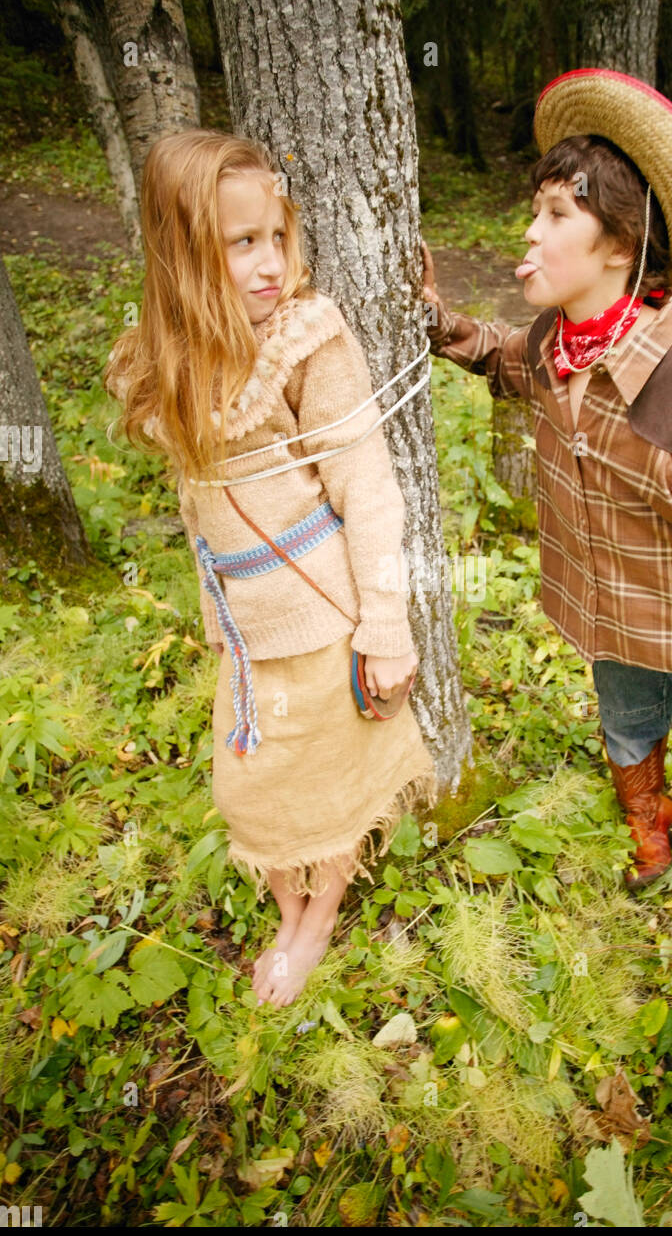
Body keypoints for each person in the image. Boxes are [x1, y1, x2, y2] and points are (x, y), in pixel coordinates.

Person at [422, 68, 672, 916]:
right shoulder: (556, 347)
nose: (525, 235)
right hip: (611, 616)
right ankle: (649, 818)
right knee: (627, 724)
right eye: (533, 210)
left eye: (555, 214)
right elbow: (504, 356)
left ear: (620, 241)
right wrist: (437, 325)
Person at [105, 128, 438, 1005]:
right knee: (251, 790)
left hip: (324, 612)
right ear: (183, 257)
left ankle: (313, 919)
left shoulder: (306, 341)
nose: (269, 266)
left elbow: (367, 486)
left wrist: (386, 627)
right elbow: (197, 501)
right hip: (246, 634)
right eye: (240, 243)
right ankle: (290, 905)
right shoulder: (178, 357)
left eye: (277, 238)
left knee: (329, 778)